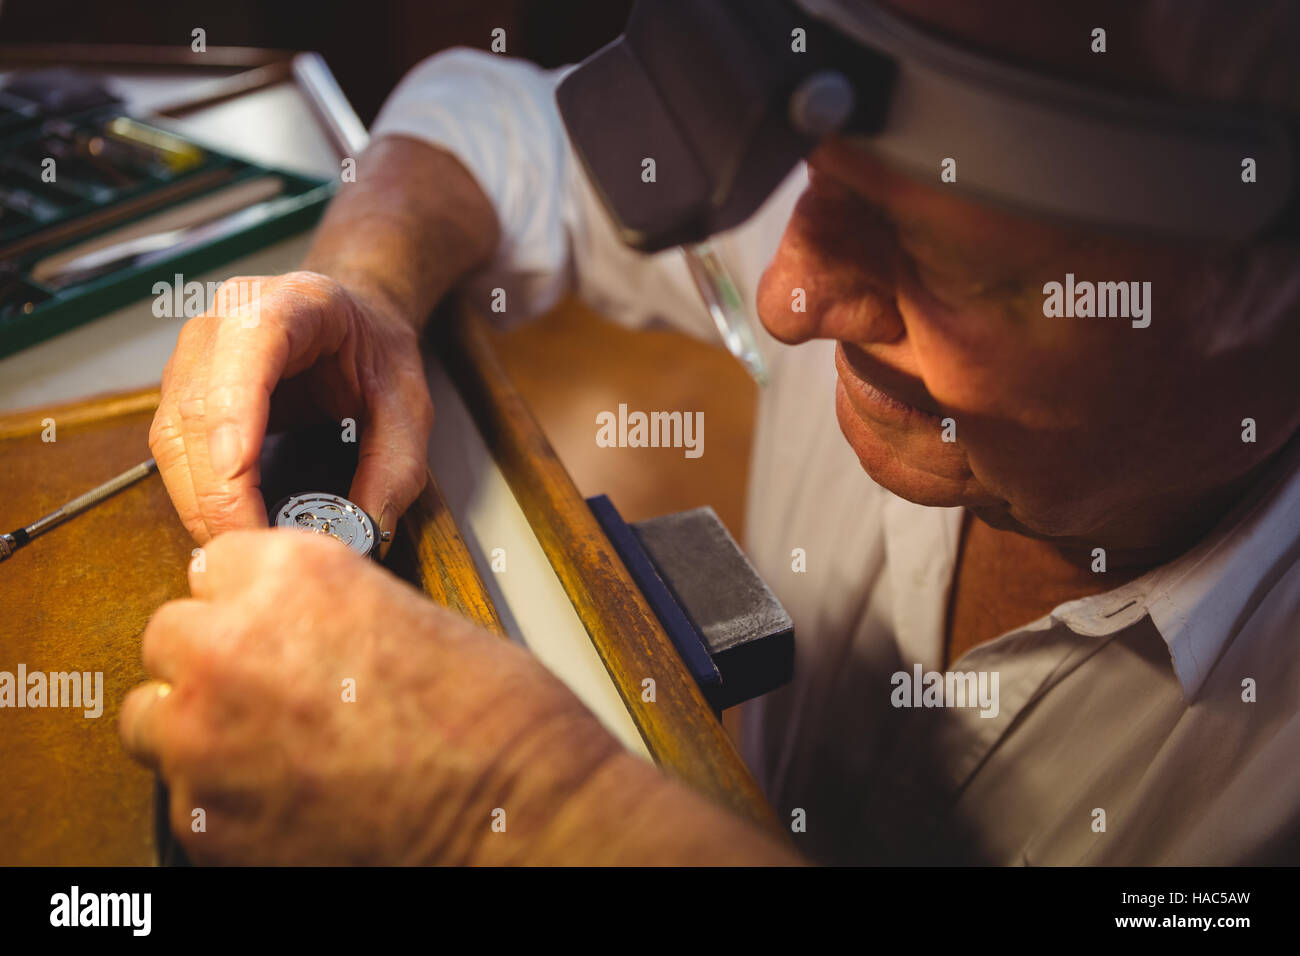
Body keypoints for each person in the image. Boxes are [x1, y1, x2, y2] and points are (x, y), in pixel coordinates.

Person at [120, 0, 1300, 864]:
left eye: (945, 263)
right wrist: (368, 284)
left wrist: (522, 803)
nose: (788, 298)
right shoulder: (882, 164)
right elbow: (492, 121)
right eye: (812, 187)